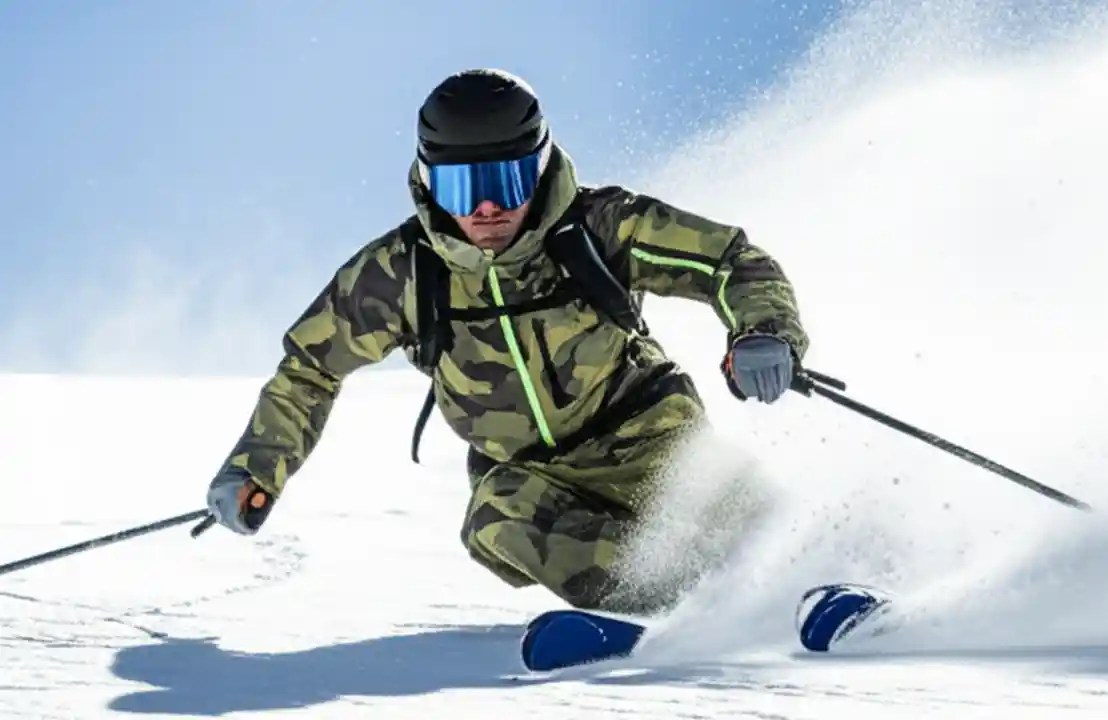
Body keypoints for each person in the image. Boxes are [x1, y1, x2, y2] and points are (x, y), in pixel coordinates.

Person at [205, 68, 809, 614]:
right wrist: (255, 470)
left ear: (540, 168)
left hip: (650, 440)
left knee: (766, 537)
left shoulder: (601, 229)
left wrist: (763, 332)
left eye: (508, 181)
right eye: (465, 190)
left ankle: (814, 585)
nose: (489, 208)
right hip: (532, 478)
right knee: (494, 519)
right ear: (429, 183)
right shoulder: (402, 273)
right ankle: (676, 605)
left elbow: (729, 261)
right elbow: (311, 367)